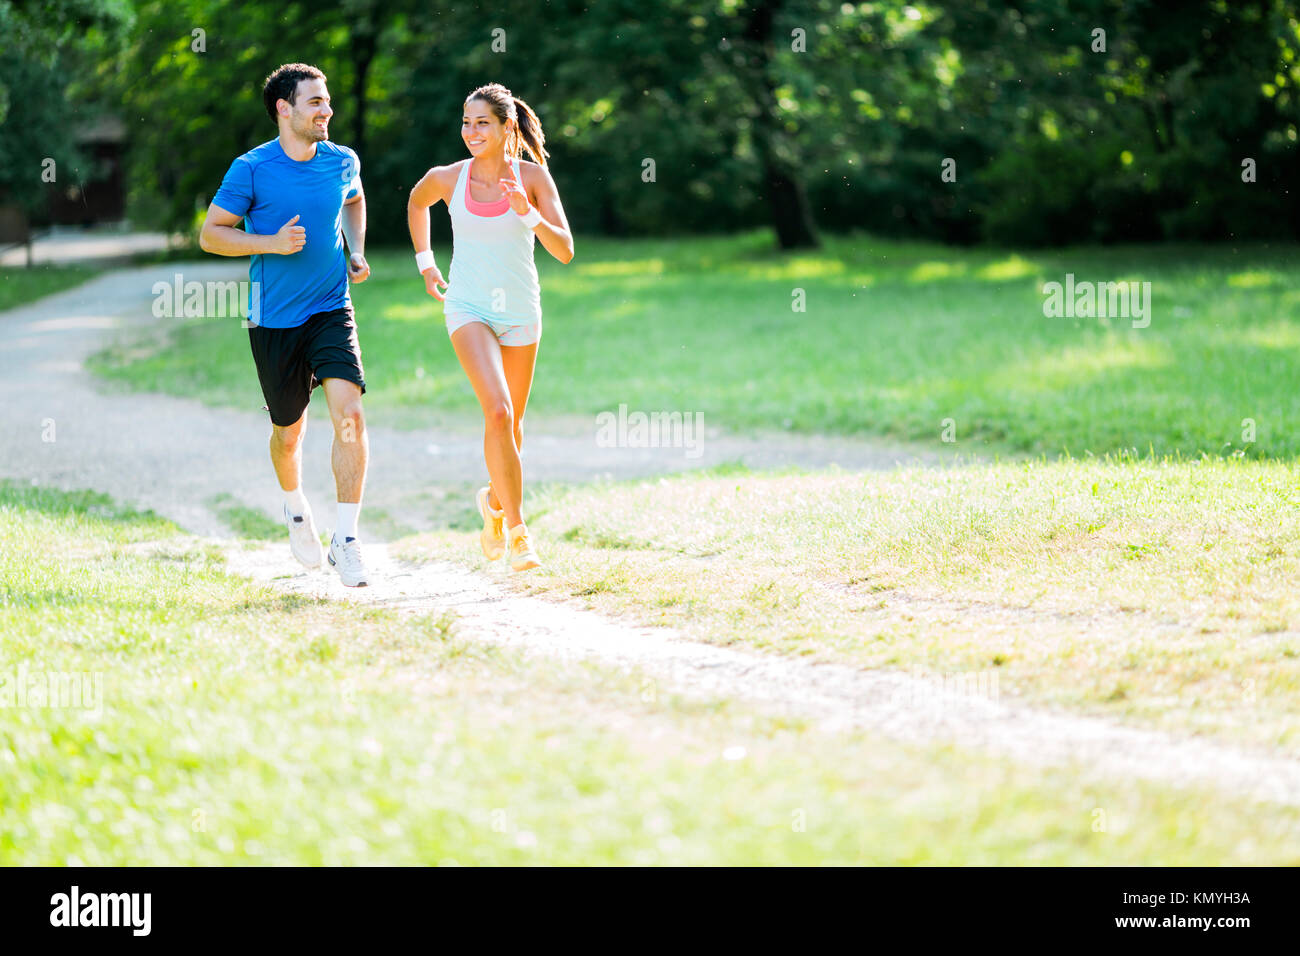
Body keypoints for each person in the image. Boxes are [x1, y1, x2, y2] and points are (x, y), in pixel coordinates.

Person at [198, 62, 372, 586]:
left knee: (350, 412)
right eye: (315, 102)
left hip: (330, 307)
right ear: (284, 108)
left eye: (327, 101)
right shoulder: (251, 169)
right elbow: (212, 234)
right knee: (288, 431)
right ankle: (296, 508)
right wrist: (270, 243)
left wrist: (356, 250)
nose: (327, 110)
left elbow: (355, 199)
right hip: (273, 318)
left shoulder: (342, 160)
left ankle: (347, 538)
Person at [406, 82, 574, 572]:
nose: (471, 131)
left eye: (482, 122)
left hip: (521, 311)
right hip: (468, 307)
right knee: (498, 412)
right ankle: (520, 534)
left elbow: (564, 250)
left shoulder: (533, 178)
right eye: (466, 122)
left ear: (507, 127)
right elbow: (417, 203)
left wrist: (529, 214)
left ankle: (495, 503)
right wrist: (425, 262)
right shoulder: (449, 178)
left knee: (514, 426)